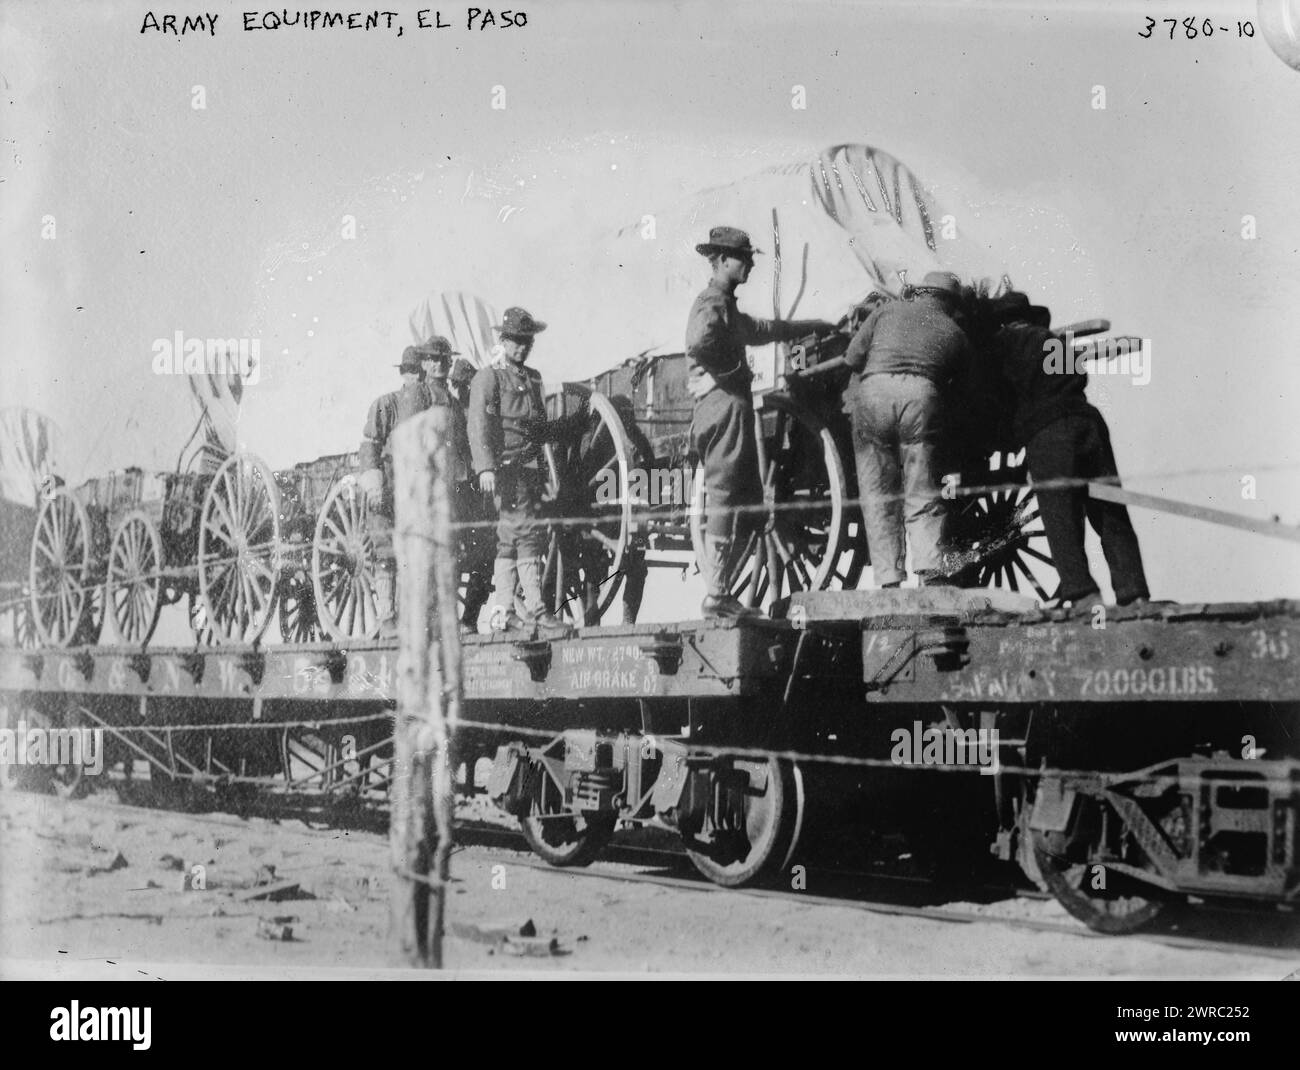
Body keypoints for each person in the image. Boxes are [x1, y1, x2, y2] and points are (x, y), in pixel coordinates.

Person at [686, 225, 832, 619]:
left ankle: (721, 593)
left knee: (736, 495)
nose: (749, 264)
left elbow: (760, 330)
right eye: (743, 258)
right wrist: (733, 372)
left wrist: (809, 325)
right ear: (720, 261)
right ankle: (717, 595)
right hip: (721, 404)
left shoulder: (726, 306)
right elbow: (700, 341)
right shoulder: (712, 302)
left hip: (728, 404)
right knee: (724, 494)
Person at [989, 292, 1150, 611]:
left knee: (1059, 511)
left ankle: (1082, 593)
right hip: (1088, 420)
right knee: (1109, 509)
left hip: (1049, 428)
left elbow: (995, 401)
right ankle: (1135, 594)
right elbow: (1079, 375)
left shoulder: (1002, 345)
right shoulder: (1051, 341)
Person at [842, 270, 974, 589]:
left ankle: (888, 578)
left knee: (877, 492)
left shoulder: (886, 311)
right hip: (921, 399)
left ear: (922, 292)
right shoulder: (955, 332)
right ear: (950, 303)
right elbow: (965, 387)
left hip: (874, 394)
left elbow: (852, 358)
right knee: (922, 489)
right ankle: (930, 570)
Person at [467, 307, 588, 631]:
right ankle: (535, 610)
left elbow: (539, 429)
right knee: (529, 534)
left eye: (527, 341)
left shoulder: (532, 378)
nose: (522, 346)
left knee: (509, 539)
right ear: (503, 341)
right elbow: (477, 426)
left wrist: (567, 432)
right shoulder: (488, 377)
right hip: (506, 470)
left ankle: (504, 612)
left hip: (531, 469)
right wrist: (485, 469)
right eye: (517, 341)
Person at [418, 336, 491, 636]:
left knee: (482, 550)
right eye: (433, 359)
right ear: (424, 363)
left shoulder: (454, 402)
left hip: (461, 486)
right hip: (433, 487)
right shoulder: (418, 396)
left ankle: (468, 618)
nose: (439, 364)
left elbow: (466, 443)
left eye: (443, 359)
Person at [357, 346, 432, 634]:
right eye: (411, 371)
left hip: (416, 488)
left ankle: (410, 615)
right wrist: (373, 478)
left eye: (420, 372)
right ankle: (387, 615)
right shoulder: (386, 404)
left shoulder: (432, 406)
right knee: (385, 551)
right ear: (403, 374)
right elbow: (369, 445)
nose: (416, 377)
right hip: (388, 485)